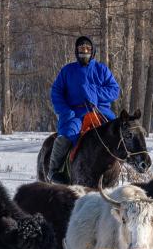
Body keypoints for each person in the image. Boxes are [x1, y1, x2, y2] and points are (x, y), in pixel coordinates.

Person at [46, 35, 120, 184]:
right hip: (75, 113)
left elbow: (114, 91)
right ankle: (54, 171)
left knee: (118, 132)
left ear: (92, 51)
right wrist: (66, 111)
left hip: (100, 111)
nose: (84, 51)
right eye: (81, 49)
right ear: (76, 51)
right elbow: (56, 92)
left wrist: (94, 91)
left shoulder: (101, 69)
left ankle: (122, 166)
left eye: (87, 49)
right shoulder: (67, 71)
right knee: (66, 135)